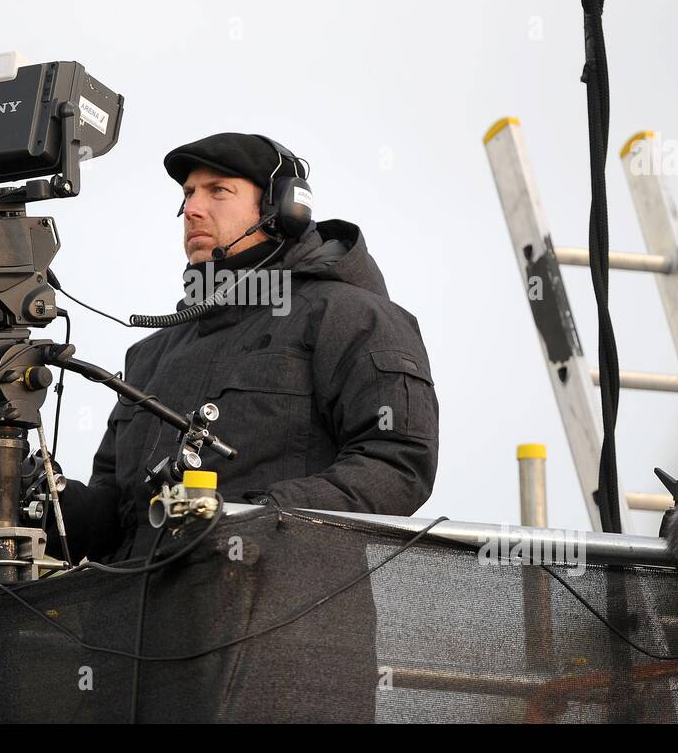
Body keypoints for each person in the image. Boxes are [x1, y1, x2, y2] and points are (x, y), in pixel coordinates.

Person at [51, 132, 439, 562]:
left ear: (283, 210)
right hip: (135, 625)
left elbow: (398, 464)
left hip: (284, 622)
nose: (192, 209)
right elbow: (116, 518)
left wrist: (256, 518)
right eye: (188, 194)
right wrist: (51, 501)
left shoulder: (350, 316)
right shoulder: (149, 354)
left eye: (219, 191)